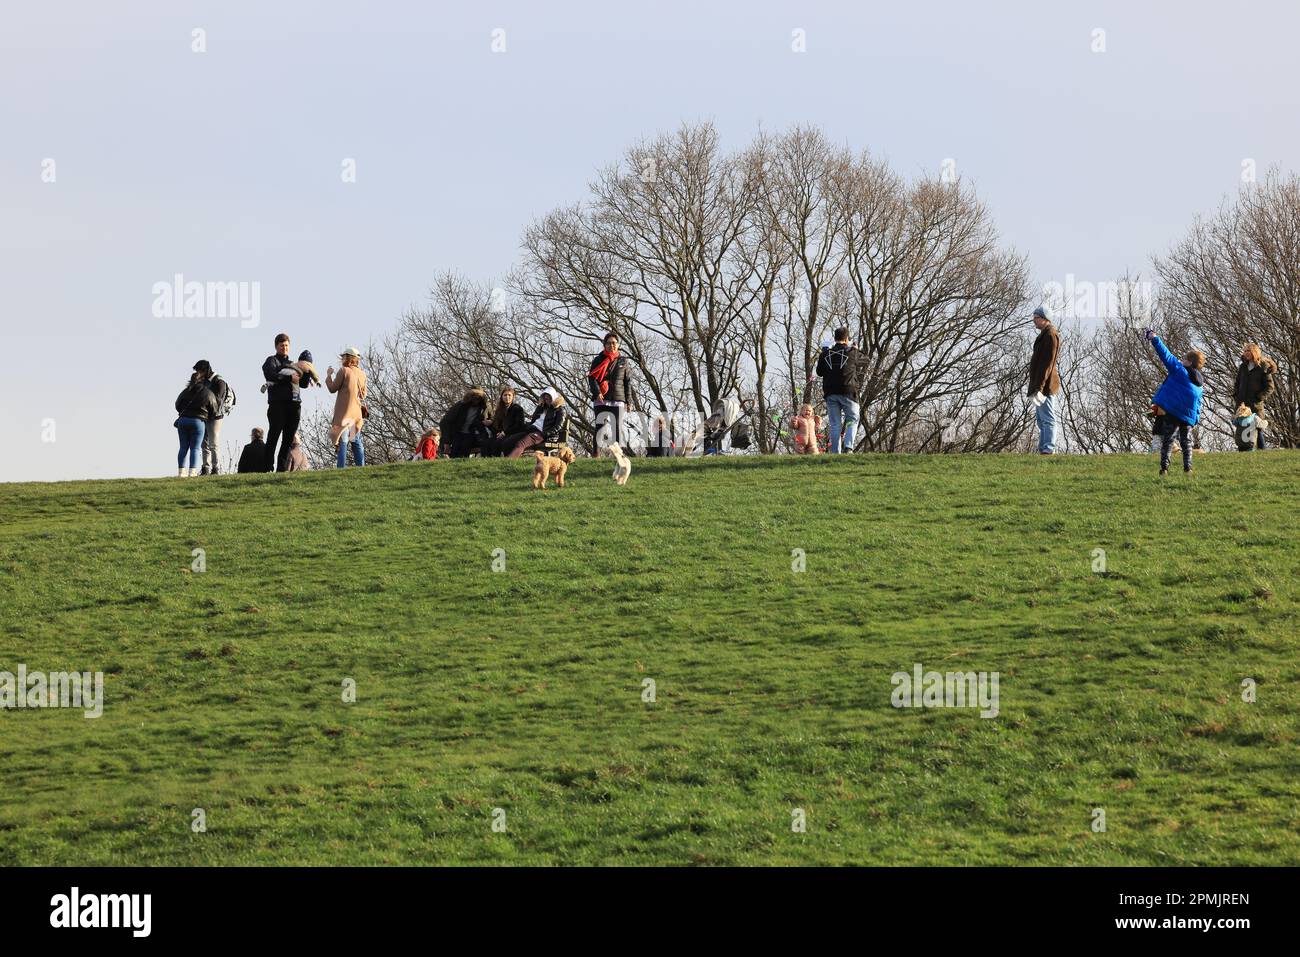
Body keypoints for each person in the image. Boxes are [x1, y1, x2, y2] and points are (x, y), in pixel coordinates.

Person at [1145, 329, 1204, 476]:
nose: (1181, 360)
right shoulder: (1199, 384)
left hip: (1173, 412)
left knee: (1168, 440)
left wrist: (1154, 338)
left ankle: (1164, 468)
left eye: (1184, 359)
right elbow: (1198, 404)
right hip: (1188, 417)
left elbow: (1165, 354)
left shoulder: (1179, 370)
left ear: (1189, 362)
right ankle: (1187, 468)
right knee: (1187, 442)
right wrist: (1195, 419)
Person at [816, 327, 866, 453]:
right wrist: (855, 349)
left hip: (831, 392)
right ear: (847, 338)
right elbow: (866, 360)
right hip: (849, 391)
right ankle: (848, 447)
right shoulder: (852, 352)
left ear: (835, 338)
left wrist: (824, 353)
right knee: (852, 419)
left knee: (835, 424)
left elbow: (819, 372)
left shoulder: (825, 354)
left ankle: (835, 452)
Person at [262, 332, 305, 472]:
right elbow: (270, 374)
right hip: (278, 404)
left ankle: (281, 468)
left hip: (294, 405)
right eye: (282, 345)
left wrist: (307, 370)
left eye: (286, 345)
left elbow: (303, 383)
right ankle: (267, 466)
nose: (284, 348)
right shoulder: (271, 361)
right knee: (273, 436)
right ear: (276, 346)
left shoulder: (293, 364)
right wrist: (288, 378)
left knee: (288, 439)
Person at [589, 332, 637, 451]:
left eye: (614, 343)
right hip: (601, 399)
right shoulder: (598, 360)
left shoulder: (623, 361)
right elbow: (591, 377)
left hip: (618, 399)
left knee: (617, 428)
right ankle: (596, 454)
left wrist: (629, 401)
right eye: (609, 343)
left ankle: (617, 455)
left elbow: (627, 382)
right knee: (600, 427)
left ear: (618, 344)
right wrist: (597, 392)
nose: (612, 345)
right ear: (604, 345)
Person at [1027, 306, 1062, 454]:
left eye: (1036, 318)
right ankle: (1043, 449)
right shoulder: (1044, 334)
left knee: (1048, 419)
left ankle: (1048, 449)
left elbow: (1048, 363)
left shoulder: (1050, 335)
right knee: (1041, 420)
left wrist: (1040, 387)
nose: (1034, 320)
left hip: (1046, 385)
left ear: (1044, 318)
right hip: (1039, 384)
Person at [326, 347, 367, 468]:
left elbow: (332, 388)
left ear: (348, 358)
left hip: (345, 415)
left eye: (343, 356)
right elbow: (363, 394)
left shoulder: (343, 371)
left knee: (342, 440)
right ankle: (361, 467)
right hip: (355, 416)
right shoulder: (362, 374)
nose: (342, 359)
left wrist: (329, 376)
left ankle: (341, 468)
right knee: (355, 441)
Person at [174, 369, 220, 477]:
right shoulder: (207, 392)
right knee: (195, 448)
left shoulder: (185, 391)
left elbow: (177, 404)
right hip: (198, 422)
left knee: (183, 447)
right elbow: (214, 408)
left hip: (183, 421)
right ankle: (192, 472)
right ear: (203, 380)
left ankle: (181, 472)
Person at [501, 387, 569, 458]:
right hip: (531, 430)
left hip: (542, 434)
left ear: (553, 397)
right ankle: (505, 460)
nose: (547, 400)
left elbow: (558, 426)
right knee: (509, 441)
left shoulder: (559, 410)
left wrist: (546, 433)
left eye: (549, 398)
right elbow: (533, 421)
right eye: (545, 399)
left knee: (521, 444)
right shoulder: (541, 407)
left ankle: (509, 461)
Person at [1233, 342, 1276, 450]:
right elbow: (1237, 383)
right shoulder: (1243, 366)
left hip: (1255, 405)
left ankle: (1262, 453)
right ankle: (1243, 453)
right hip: (1242, 404)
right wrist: (1236, 395)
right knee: (1242, 428)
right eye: (1245, 351)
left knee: (1258, 428)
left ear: (1254, 352)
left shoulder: (1263, 367)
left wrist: (1259, 397)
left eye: (1248, 351)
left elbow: (1270, 387)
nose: (1246, 353)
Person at [194, 360, 232, 475]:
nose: (198, 373)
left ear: (205, 370)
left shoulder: (219, 382)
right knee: (204, 443)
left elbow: (218, 401)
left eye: (199, 371)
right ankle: (205, 468)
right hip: (204, 415)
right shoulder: (203, 382)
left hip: (215, 416)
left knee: (213, 443)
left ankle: (215, 468)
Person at [439, 388, 490, 457]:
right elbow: (445, 422)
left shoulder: (484, 407)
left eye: (478, 399)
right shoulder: (460, 405)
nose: (476, 401)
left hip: (473, 434)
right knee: (456, 451)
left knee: (466, 449)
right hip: (457, 433)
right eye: (474, 398)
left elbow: (492, 418)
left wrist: (490, 421)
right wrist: (446, 441)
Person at [481, 386, 526, 456]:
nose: (507, 397)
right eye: (505, 395)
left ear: (513, 397)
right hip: (501, 434)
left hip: (513, 434)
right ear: (502, 397)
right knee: (486, 442)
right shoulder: (499, 410)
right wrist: (495, 429)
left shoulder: (517, 409)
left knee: (500, 443)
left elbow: (519, 426)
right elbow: (496, 426)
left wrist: (504, 433)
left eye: (509, 395)